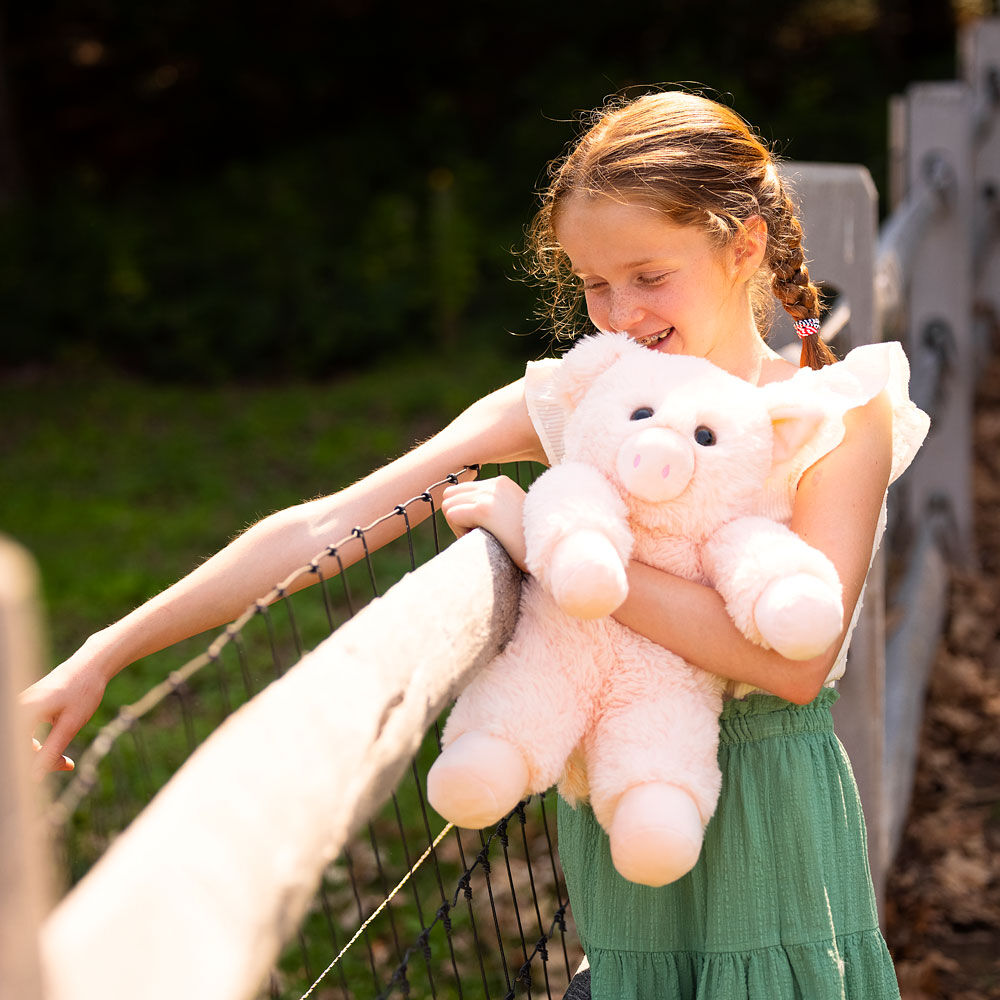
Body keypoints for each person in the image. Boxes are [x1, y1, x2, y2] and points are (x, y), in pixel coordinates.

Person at [23, 90, 927, 999]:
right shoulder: (579, 402)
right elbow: (327, 523)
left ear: (744, 246)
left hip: (774, 833)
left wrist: (540, 540)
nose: (619, 314)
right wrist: (107, 652)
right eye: (593, 283)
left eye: (649, 276)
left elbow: (791, 667)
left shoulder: (834, 416)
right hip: (619, 842)